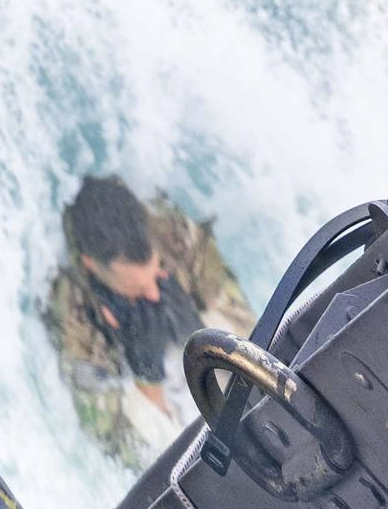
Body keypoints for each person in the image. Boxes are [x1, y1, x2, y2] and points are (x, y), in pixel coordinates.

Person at [45, 174, 254, 469]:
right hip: (139, 389)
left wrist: (201, 328)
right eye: (137, 290)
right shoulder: (74, 313)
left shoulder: (177, 236)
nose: (154, 294)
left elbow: (254, 334)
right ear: (92, 266)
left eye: (155, 276)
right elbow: (114, 441)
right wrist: (148, 381)